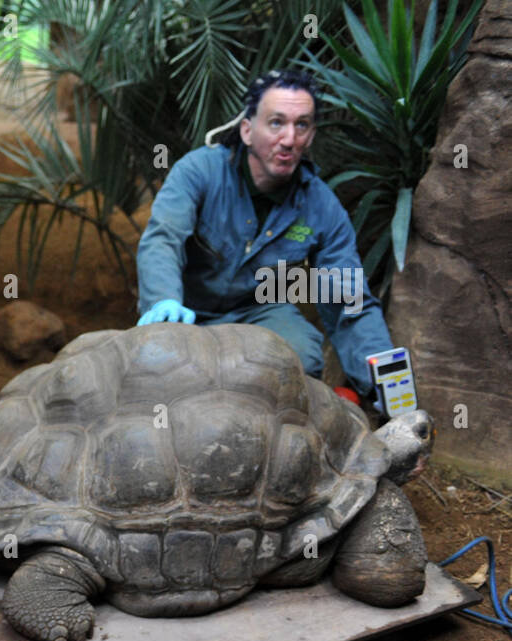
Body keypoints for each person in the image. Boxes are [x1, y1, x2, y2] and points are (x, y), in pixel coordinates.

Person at [135, 69, 395, 402]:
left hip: (257, 312)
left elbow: (348, 298)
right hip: (186, 308)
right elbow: (162, 240)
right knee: (167, 370)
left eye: (301, 125)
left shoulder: (321, 206)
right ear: (247, 129)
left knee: (300, 358)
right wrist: (163, 300)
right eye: (276, 122)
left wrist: (387, 382)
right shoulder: (198, 172)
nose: (289, 138)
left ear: (311, 135)